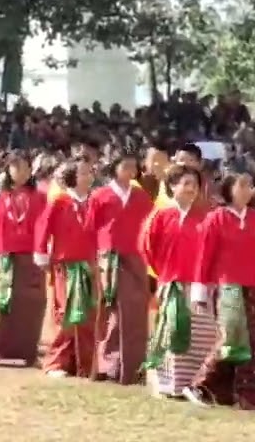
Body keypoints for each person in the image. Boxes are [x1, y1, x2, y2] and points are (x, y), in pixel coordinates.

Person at [141, 165, 214, 397]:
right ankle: (167, 383)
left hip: (200, 284)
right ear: (173, 186)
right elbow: (147, 247)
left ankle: (193, 382)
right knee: (172, 332)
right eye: (186, 183)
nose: (191, 189)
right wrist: (163, 273)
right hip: (171, 282)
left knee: (201, 334)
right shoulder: (161, 215)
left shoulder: (205, 216)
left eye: (195, 184)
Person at [185, 172, 255, 408]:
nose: (247, 190)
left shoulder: (253, 217)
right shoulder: (217, 218)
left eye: (250, 186)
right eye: (242, 185)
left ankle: (242, 394)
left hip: (252, 287)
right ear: (229, 189)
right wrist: (199, 291)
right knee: (231, 339)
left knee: (251, 342)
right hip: (228, 288)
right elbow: (204, 257)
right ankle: (200, 384)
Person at [88, 153, 155, 384]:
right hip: (110, 257)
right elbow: (91, 228)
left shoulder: (141, 196)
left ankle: (133, 364)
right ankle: (109, 363)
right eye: (124, 166)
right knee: (114, 309)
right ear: (114, 168)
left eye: (133, 167)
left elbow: (149, 227)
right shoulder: (100, 195)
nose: (130, 170)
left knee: (136, 309)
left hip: (136, 257)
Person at [35, 160, 99, 379]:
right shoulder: (59, 202)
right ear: (72, 176)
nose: (88, 176)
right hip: (66, 266)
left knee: (88, 316)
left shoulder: (94, 203)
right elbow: (43, 227)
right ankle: (56, 363)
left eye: (90, 172)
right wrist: (41, 253)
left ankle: (84, 363)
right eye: (83, 173)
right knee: (66, 315)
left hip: (89, 265)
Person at [0, 153, 47, 367]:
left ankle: (28, 350)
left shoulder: (39, 197)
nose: (19, 172)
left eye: (24, 168)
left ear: (30, 171)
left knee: (30, 303)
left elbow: (44, 226)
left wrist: (43, 253)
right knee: (5, 303)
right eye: (15, 167)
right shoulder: (1, 197)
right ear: (8, 171)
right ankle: (0, 348)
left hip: (31, 257)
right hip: (7, 256)